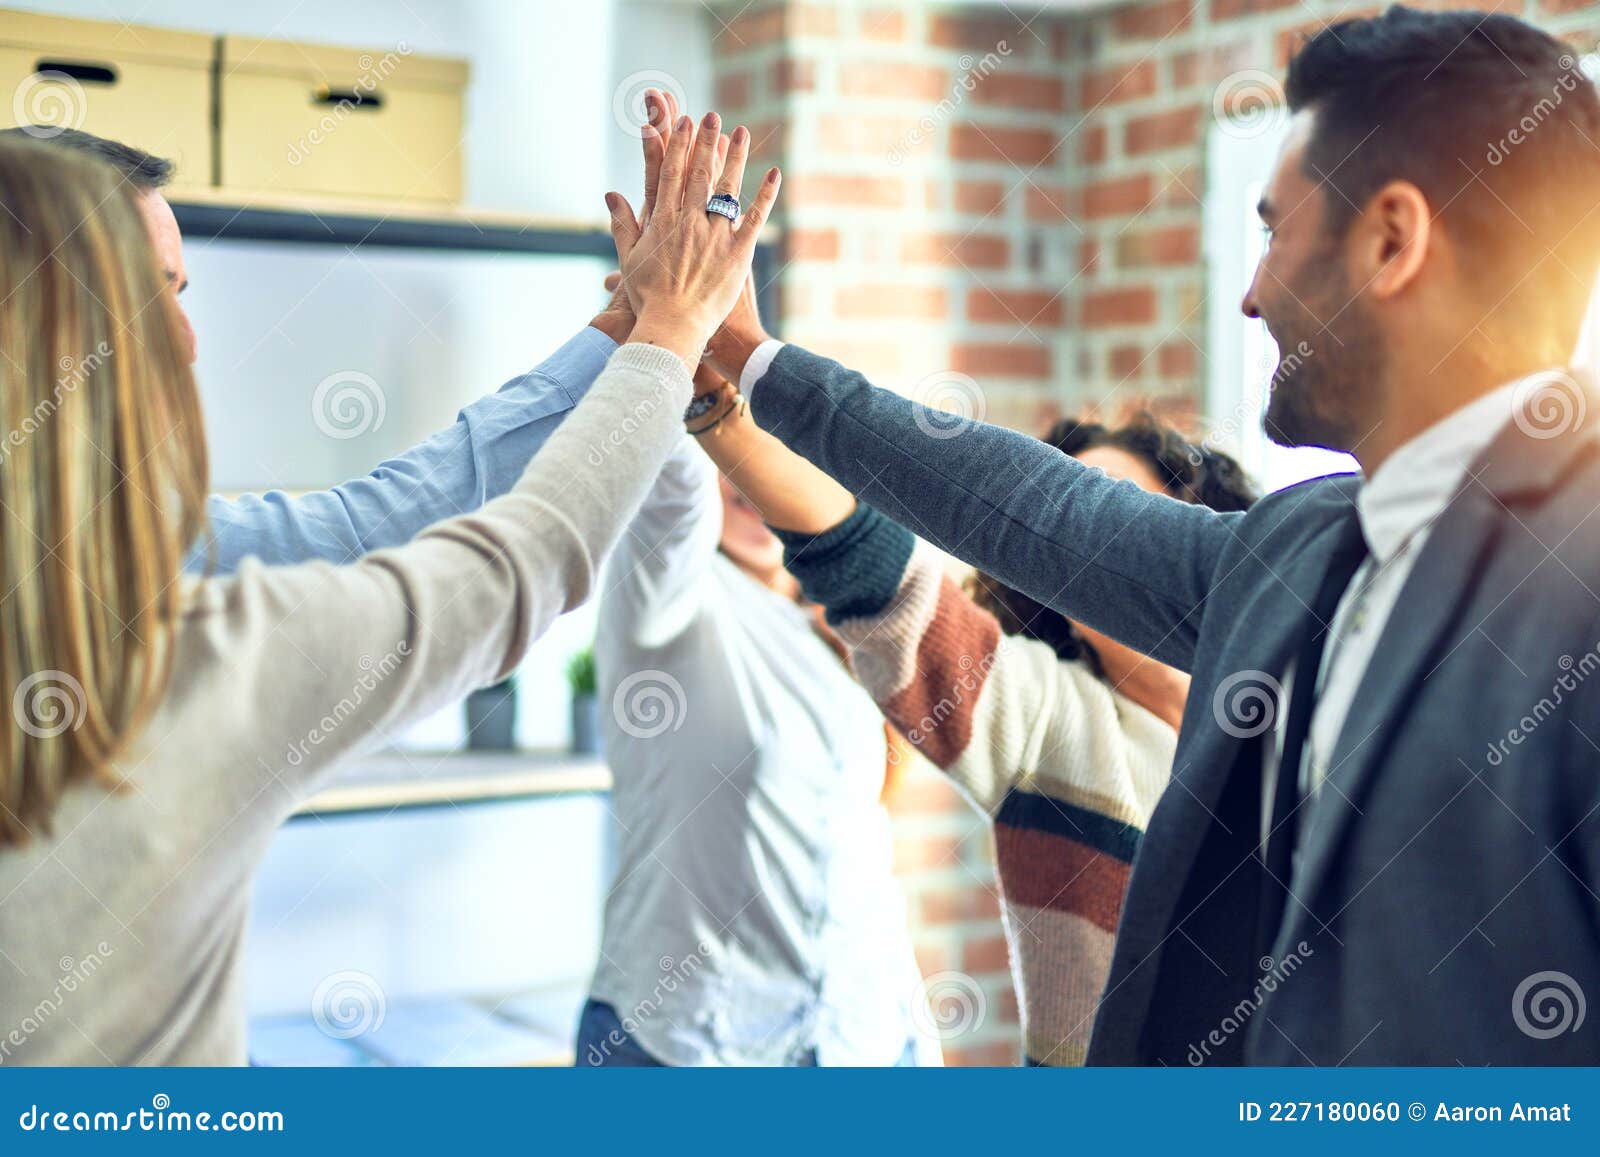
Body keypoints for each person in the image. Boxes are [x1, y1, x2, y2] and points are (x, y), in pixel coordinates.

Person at [696, 7, 1600, 1064]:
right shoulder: (1300, 548)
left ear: (1391, 242)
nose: (1253, 295)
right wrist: (755, 359)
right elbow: (1033, 508)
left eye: (1277, 231)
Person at [0, 113, 779, 1063]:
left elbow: (372, 522)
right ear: (55, 333)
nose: (189, 341)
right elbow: (523, 560)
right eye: (158, 292)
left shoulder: (161, 570)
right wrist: (667, 332)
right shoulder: (208, 659)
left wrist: (631, 328)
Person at [689, 298, 1256, 1064]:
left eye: (1117, 521)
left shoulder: (1310, 701)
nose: (1092, 563)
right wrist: (715, 398)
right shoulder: (1051, 722)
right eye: (1062, 555)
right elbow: (877, 574)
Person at [577, 93, 931, 1068]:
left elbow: (859, 865)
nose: (752, 471)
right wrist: (680, 324)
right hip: (689, 1049)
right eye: (737, 450)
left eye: (773, 449)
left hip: (862, 1041)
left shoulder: (843, 620)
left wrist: (910, 1035)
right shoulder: (667, 600)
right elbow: (671, 491)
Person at [1, 125, 634, 572]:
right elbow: (363, 534)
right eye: (144, 295)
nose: (187, 346)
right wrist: (629, 334)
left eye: (179, 298)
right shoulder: (90, 541)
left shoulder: (98, 518)